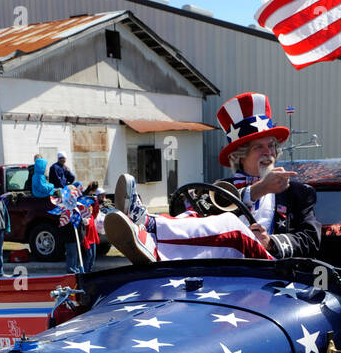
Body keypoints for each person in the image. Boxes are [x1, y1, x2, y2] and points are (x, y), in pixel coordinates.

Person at [103, 92, 320, 265]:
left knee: (231, 226)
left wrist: (271, 242)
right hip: (220, 271)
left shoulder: (298, 192)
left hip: (271, 272)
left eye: (272, 145)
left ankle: (148, 225)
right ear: (240, 155)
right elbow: (198, 220)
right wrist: (257, 190)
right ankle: (147, 235)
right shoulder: (220, 190)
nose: (269, 152)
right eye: (259, 147)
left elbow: (312, 240)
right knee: (195, 213)